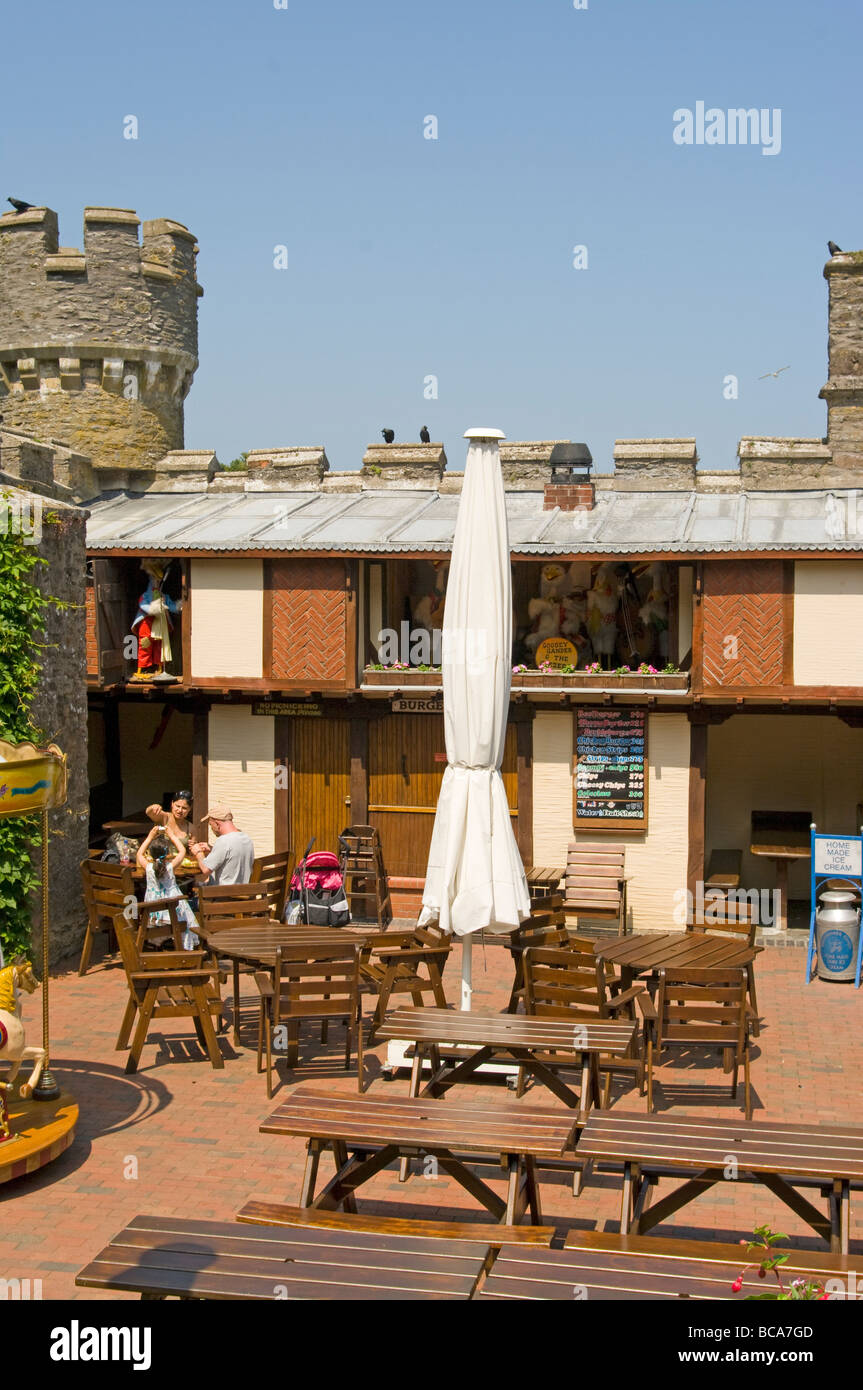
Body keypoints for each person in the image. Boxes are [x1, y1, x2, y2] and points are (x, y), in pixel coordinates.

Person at [136, 827, 201, 949]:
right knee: (185, 918)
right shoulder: (170, 867)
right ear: (168, 854)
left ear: (150, 853)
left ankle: (158, 944)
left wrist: (150, 836)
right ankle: (183, 945)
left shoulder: (148, 868)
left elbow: (139, 853)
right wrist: (172, 835)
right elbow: (182, 851)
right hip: (173, 912)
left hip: (155, 914)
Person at [190, 805, 255, 886]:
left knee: (188, 888)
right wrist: (212, 849)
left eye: (211, 825)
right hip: (242, 891)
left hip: (224, 894)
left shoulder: (223, 841)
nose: (211, 828)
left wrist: (198, 852)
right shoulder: (246, 838)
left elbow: (206, 869)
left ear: (217, 824)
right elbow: (231, 854)